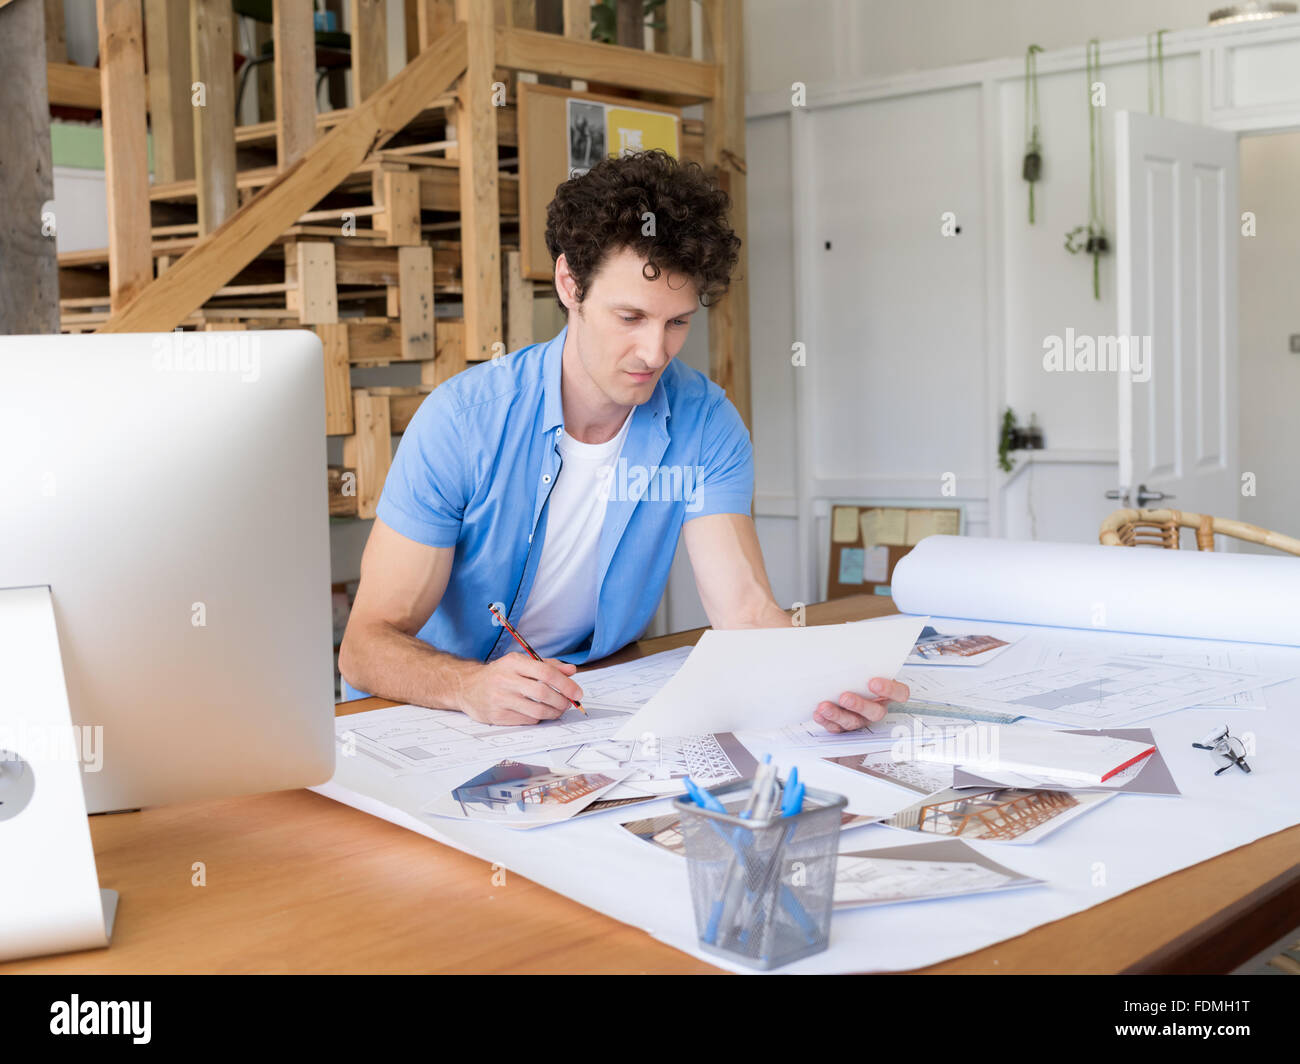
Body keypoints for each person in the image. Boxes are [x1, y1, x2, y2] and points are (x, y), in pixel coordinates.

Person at [338, 150, 908, 732]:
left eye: (678, 322)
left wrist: (825, 685)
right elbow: (364, 645)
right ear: (569, 284)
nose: (654, 353)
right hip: (430, 713)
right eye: (631, 317)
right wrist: (468, 687)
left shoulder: (706, 423)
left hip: (580, 707)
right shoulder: (462, 423)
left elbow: (744, 613)